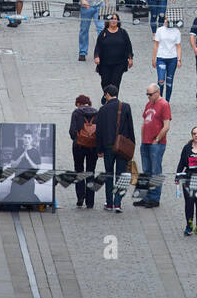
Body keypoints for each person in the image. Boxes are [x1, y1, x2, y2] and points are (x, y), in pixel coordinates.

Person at [95, 84, 135, 212]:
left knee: (108, 174)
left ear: (107, 95)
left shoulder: (102, 110)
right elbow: (131, 128)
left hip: (108, 147)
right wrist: (132, 146)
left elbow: (99, 132)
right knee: (120, 175)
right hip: (122, 147)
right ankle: (118, 203)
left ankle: (109, 202)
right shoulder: (125, 107)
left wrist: (99, 150)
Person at [135, 83, 171, 208]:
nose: (148, 97)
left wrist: (157, 139)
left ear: (157, 93)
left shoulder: (164, 104)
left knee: (155, 171)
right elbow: (144, 121)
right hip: (145, 142)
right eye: (147, 94)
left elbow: (166, 126)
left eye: (150, 94)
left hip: (156, 143)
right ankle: (146, 197)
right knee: (146, 171)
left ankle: (155, 198)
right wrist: (142, 139)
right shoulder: (148, 104)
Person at [68, 94, 100, 208]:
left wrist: (77, 139)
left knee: (79, 171)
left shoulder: (76, 113)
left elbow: (72, 131)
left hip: (79, 146)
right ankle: (90, 202)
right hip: (93, 146)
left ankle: (80, 196)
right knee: (90, 172)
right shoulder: (97, 113)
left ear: (78, 104)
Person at [93, 13, 133, 95]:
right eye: (112, 19)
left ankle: (114, 100)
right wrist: (96, 56)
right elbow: (98, 47)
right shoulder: (103, 33)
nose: (114, 21)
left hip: (119, 63)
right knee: (105, 81)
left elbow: (128, 46)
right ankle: (106, 95)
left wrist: (130, 58)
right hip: (105, 63)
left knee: (116, 83)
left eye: (115, 19)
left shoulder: (123, 32)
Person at [152, 12, 181, 102]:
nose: (166, 21)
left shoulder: (176, 31)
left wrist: (179, 59)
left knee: (169, 81)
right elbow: (156, 45)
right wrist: (154, 58)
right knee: (161, 80)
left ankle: (167, 101)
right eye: (165, 19)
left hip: (172, 58)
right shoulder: (160, 30)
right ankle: (159, 100)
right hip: (161, 57)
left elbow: (178, 46)